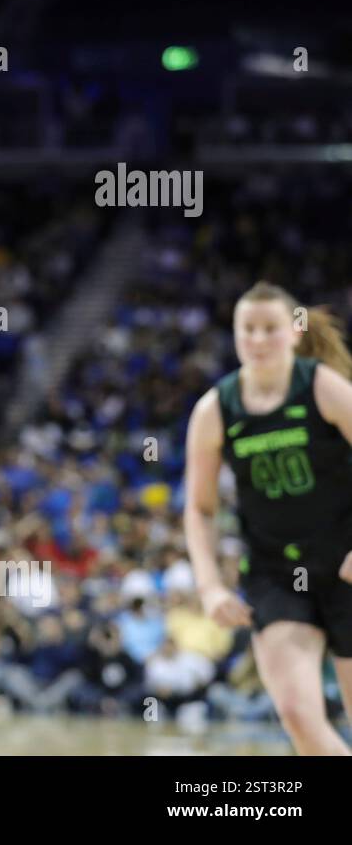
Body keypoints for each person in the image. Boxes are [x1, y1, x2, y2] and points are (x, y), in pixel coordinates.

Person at [184, 281, 352, 754]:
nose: (257, 340)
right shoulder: (215, 409)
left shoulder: (322, 386)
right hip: (275, 573)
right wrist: (210, 585)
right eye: (247, 330)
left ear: (295, 332)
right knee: (299, 715)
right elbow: (199, 509)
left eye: (269, 329)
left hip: (344, 564)